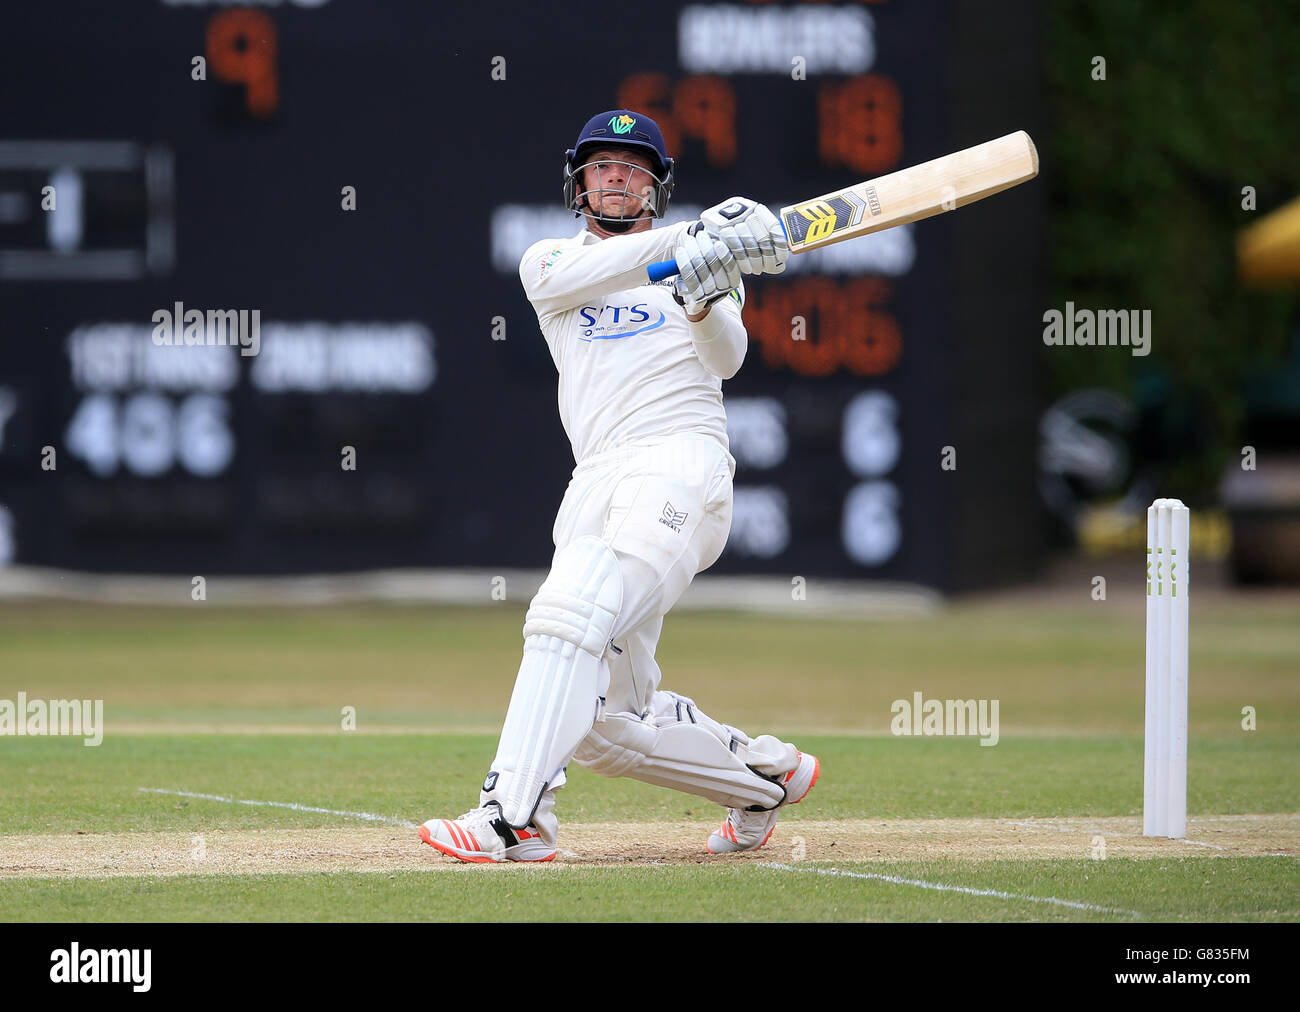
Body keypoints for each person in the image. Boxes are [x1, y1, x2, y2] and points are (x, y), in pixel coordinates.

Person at [418, 109, 817, 863]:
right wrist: (694, 238)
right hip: (596, 479)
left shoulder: (701, 269)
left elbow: (728, 359)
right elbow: (608, 268)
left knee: (569, 617)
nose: (616, 177)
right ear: (577, 182)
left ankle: (511, 817)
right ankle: (761, 777)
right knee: (608, 724)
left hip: (680, 463)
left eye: (633, 167)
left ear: (655, 186)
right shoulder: (549, 264)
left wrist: (702, 295)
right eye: (602, 165)